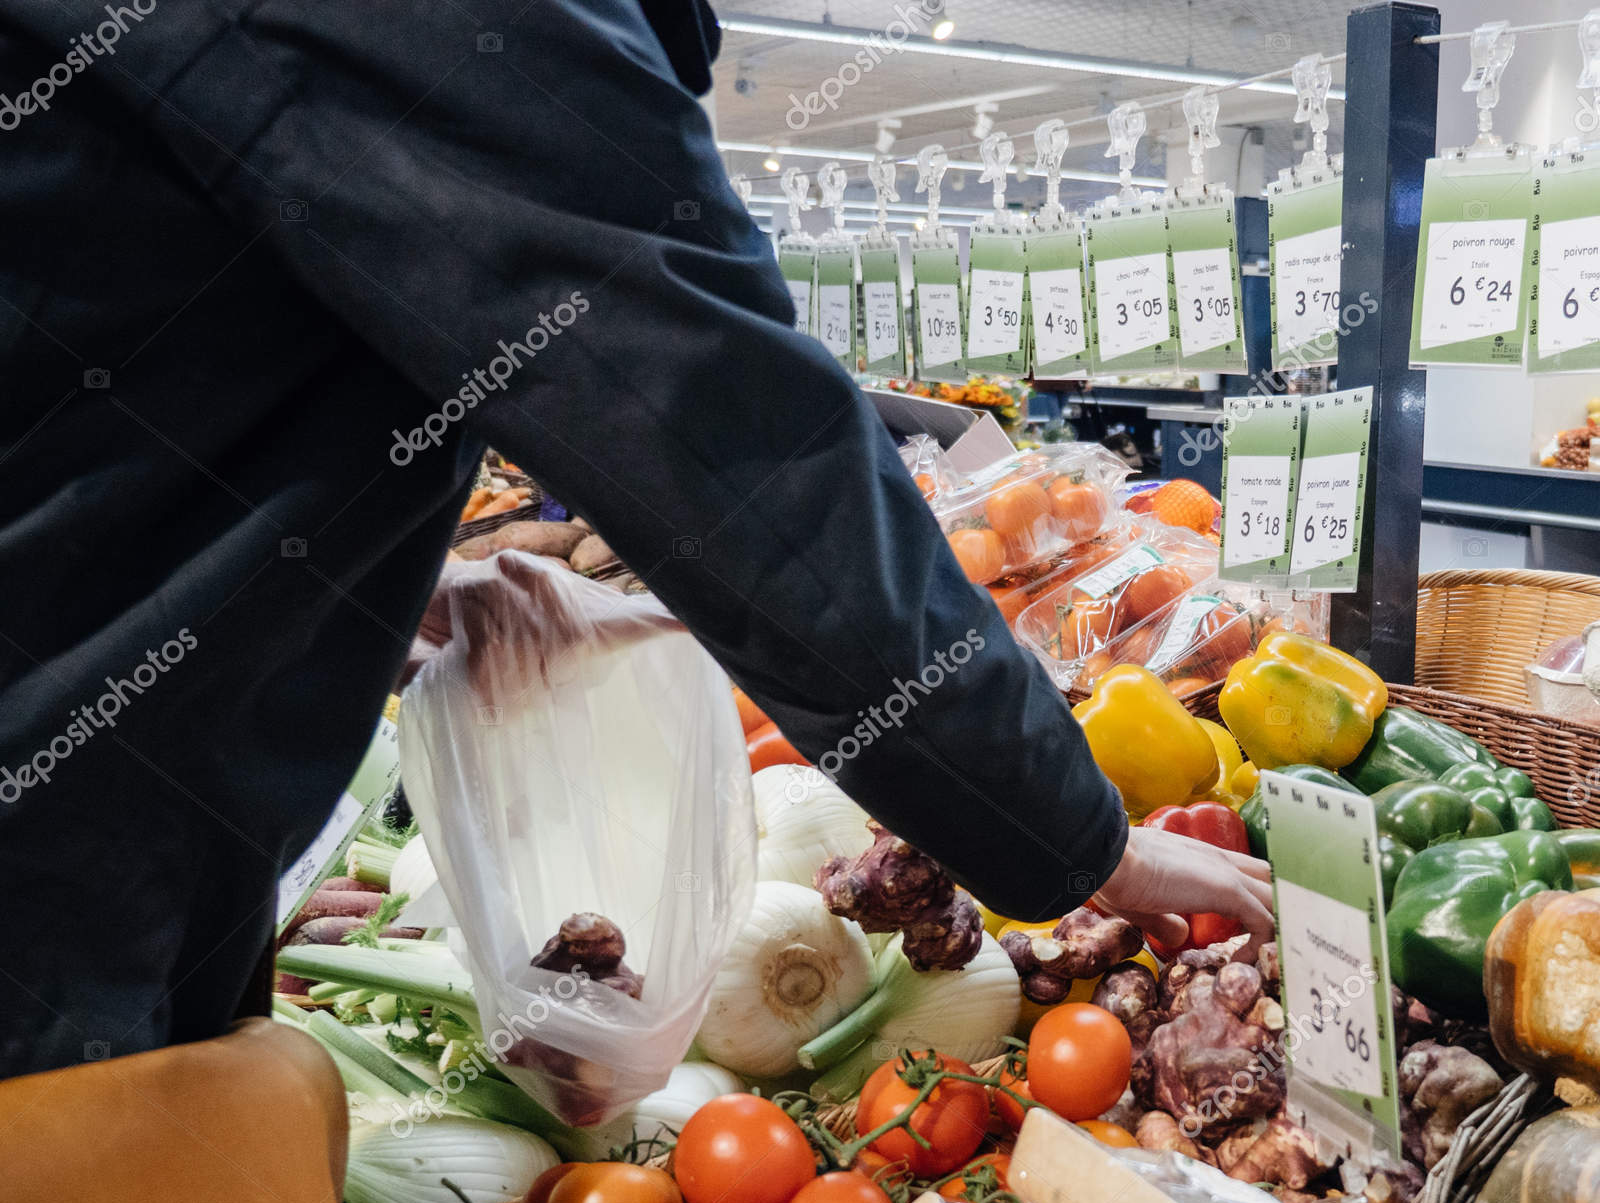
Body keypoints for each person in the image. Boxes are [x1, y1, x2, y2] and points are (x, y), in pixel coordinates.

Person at [0, 0, 1270, 1080]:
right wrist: (1073, 834)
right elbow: (729, 434)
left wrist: (381, 582)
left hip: (83, 784)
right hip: (53, 847)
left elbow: (158, 372)